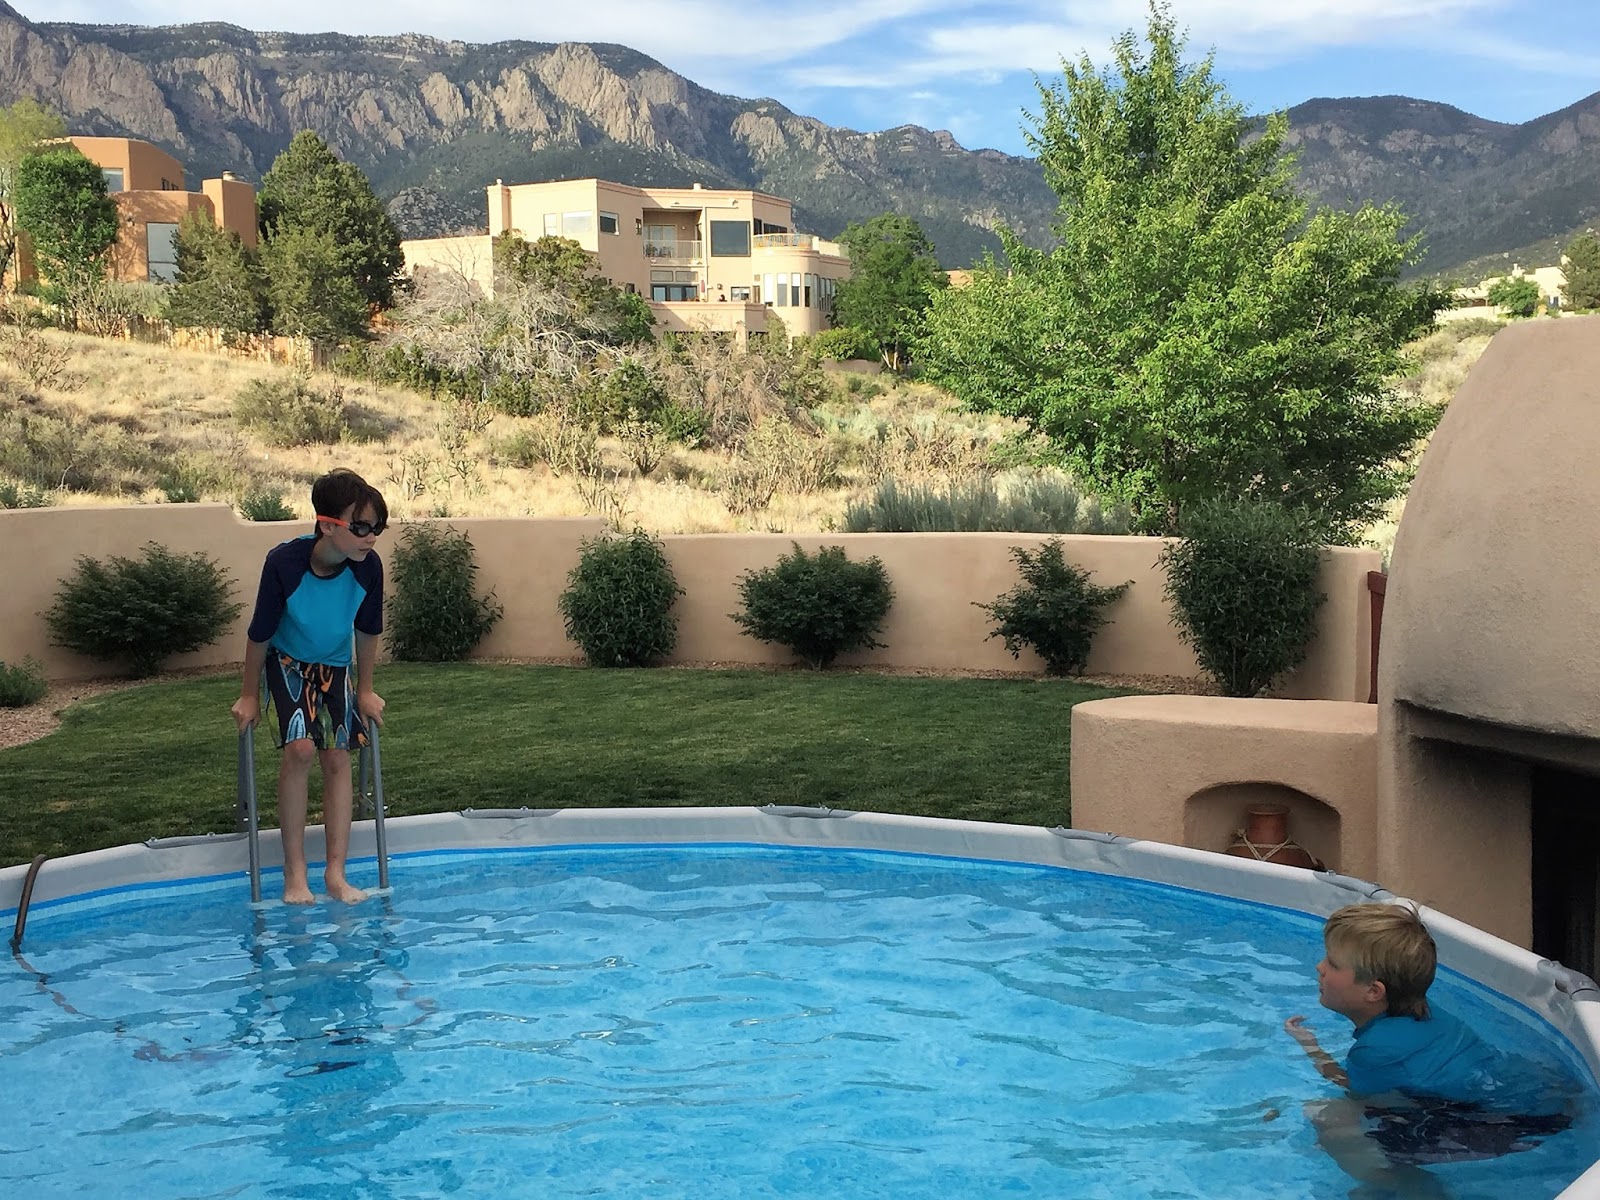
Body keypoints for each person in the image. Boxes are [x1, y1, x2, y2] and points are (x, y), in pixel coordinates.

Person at [1285, 903, 1570, 1179]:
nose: (1319, 967)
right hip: (1542, 1100)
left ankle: (1407, 1186)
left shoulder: (1372, 1051)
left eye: (1332, 963)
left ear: (1373, 991)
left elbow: (1355, 1093)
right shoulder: (1426, 1009)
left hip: (1495, 1123)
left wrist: (1311, 1047)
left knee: (1328, 1117)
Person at [231, 469, 387, 904]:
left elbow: (368, 630)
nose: (370, 536)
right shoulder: (284, 563)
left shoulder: (368, 568)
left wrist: (366, 688)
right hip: (288, 663)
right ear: (326, 524)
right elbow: (260, 632)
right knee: (300, 750)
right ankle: (294, 872)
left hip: (335, 666)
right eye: (359, 527)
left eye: (376, 527)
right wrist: (249, 694)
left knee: (337, 757)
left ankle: (335, 873)